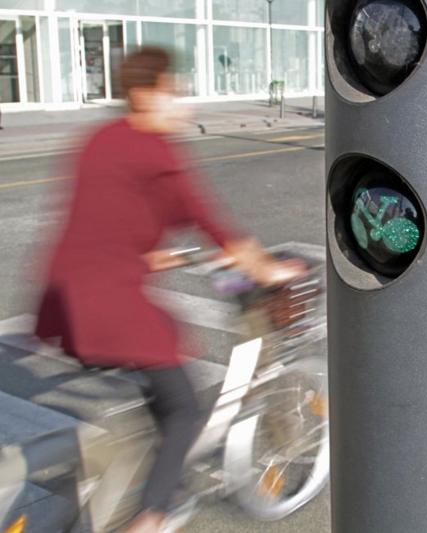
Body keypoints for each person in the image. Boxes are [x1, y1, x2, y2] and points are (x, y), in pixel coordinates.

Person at [34, 47, 305, 533]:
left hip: (62, 301)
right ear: (142, 94)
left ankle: (158, 474)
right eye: (171, 93)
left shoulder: (101, 139)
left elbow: (101, 215)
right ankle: (151, 518)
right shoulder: (157, 151)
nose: (182, 104)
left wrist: (153, 255)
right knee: (183, 408)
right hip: (107, 304)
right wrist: (272, 271)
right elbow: (212, 223)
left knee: (160, 375)